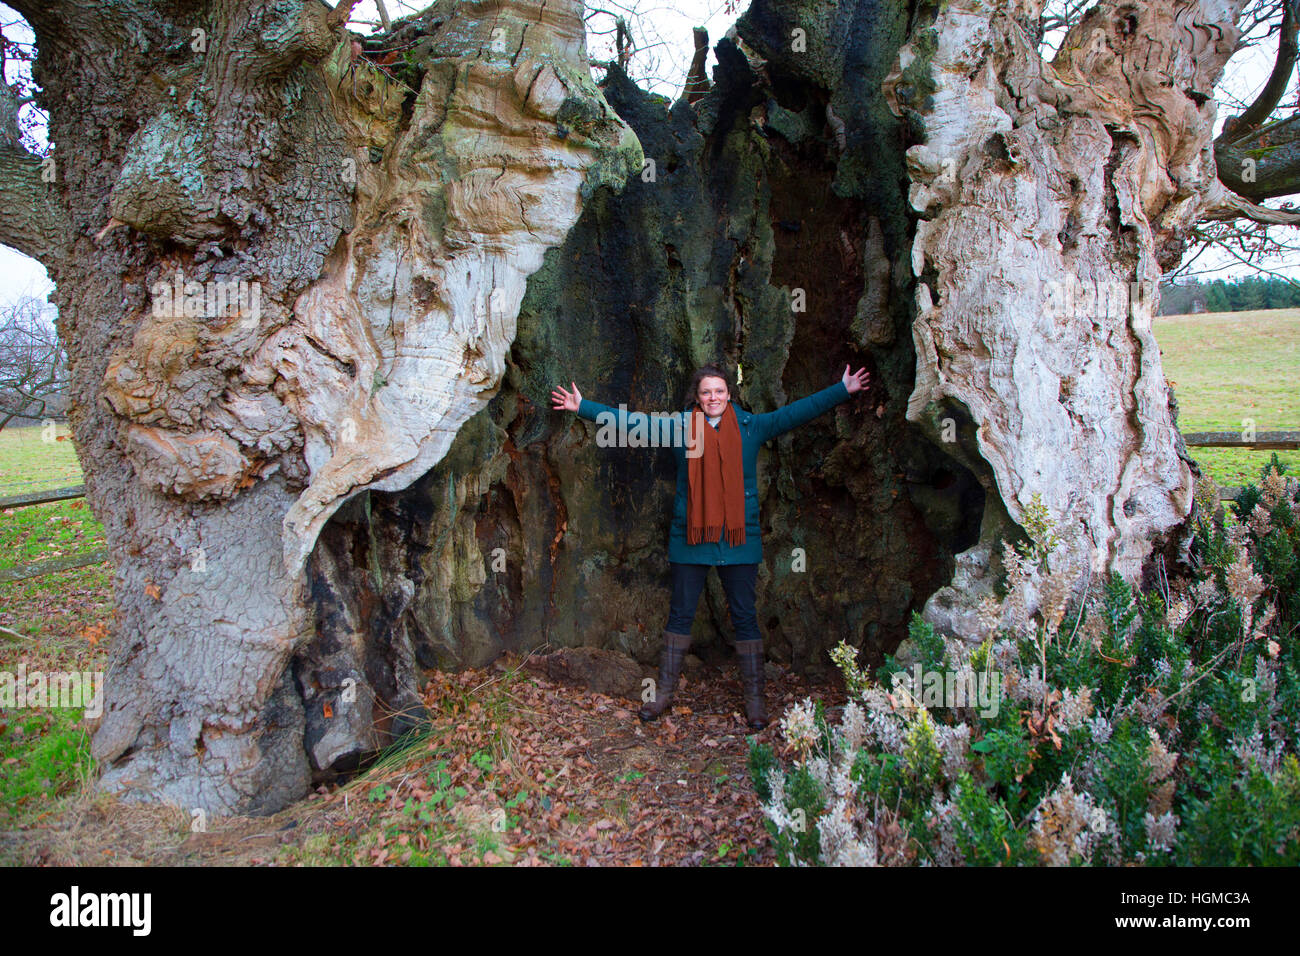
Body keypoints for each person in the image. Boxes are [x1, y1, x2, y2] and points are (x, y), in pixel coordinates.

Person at [551, 363, 870, 729]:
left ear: (729, 394)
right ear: (698, 397)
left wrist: (842, 390)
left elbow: (794, 414)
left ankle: (754, 702)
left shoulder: (751, 427)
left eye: (719, 391)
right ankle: (665, 694)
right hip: (692, 537)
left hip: (739, 538)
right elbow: (633, 423)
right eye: (706, 392)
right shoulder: (680, 427)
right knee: (680, 614)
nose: (713, 398)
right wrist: (584, 407)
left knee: (745, 617)